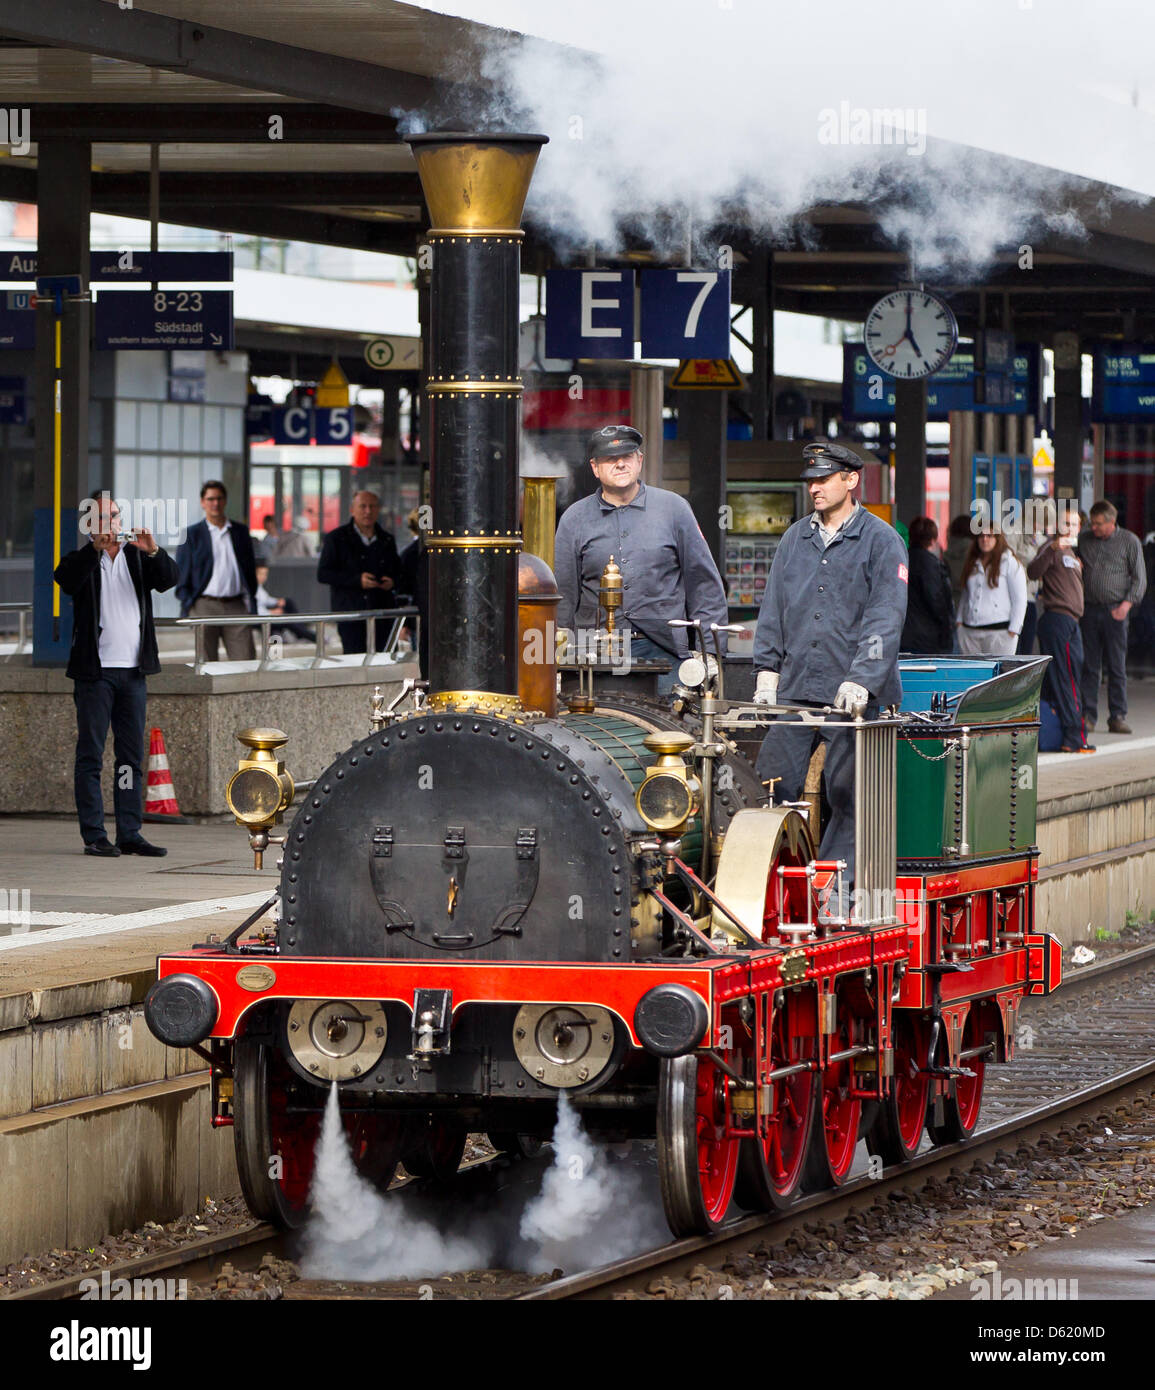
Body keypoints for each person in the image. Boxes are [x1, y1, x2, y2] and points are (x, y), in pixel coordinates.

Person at [752, 441, 908, 902]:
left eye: (823, 479)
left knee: (850, 791)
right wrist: (766, 671)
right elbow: (773, 608)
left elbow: (886, 615)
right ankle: (775, 887)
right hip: (799, 686)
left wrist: (863, 677)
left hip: (857, 692)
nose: (814, 488)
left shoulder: (883, 541)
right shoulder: (794, 538)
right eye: (811, 481)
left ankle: (836, 891)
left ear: (851, 479)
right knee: (771, 780)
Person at [553, 424, 728, 695]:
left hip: (664, 651)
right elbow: (562, 598)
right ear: (595, 467)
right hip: (593, 655)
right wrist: (553, 660)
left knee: (672, 732)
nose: (620, 463)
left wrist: (711, 654)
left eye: (628, 456)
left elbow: (704, 585)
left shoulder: (674, 509)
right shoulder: (574, 519)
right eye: (611, 459)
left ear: (640, 461)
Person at [54, 497, 178, 857]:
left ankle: (129, 831)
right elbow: (65, 580)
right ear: (90, 525)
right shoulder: (81, 560)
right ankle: (94, 833)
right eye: (103, 518)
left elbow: (169, 580)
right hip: (95, 674)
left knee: (129, 757)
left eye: (115, 515)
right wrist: (95, 551)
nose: (111, 523)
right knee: (91, 754)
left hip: (133, 673)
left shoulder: (137, 556)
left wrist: (154, 550)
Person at [1078, 500, 1147, 734]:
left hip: (1116, 610)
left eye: (1098, 524)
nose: (1094, 528)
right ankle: (1088, 714)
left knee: (1116, 666)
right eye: (1092, 523)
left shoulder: (1129, 541)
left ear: (1111, 522)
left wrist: (1126, 606)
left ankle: (1117, 715)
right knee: (1090, 665)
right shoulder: (1084, 540)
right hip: (1089, 609)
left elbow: (1139, 578)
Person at [1028, 506, 1093, 753]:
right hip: (1057, 619)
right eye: (1065, 523)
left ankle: (1069, 734)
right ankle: (1074, 735)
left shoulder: (1073, 554)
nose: (1069, 528)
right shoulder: (1052, 547)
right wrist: (1052, 548)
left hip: (1072, 621)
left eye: (1074, 524)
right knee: (1066, 679)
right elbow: (1033, 570)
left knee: (1072, 676)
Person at [176, 480, 258, 661]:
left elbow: (250, 570)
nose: (215, 503)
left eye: (219, 498)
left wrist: (251, 597)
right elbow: (181, 575)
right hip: (204, 605)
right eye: (211, 499)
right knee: (206, 665)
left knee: (245, 662)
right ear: (202, 502)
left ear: (225, 500)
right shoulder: (191, 534)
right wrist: (189, 602)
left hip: (236, 605)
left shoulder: (240, 532)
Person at [316, 490, 401, 655]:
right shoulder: (336, 538)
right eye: (363, 506)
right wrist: (356, 580)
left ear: (378, 510)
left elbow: (398, 571)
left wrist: (392, 582)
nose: (368, 511)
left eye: (372, 506)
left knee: (385, 659)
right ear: (352, 509)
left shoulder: (387, 539)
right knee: (355, 660)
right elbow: (323, 574)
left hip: (382, 613)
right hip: (351, 614)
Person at [955, 527, 1027, 658]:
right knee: (973, 676)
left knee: (999, 675)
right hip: (970, 631)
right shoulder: (972, 562)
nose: (984, 539)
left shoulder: (1010, 562)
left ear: (998, 539)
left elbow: (1020, 599)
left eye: (990, 536)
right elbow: (966, 594)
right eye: (981, 536)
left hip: (999, 632)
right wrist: (959, 622)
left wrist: (1014, 630)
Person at [901, 516, 954, 654]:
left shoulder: (901, 559)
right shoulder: (930, 564)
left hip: (902, 633)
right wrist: (947, 627)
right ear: (933, 539)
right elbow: (935, 599)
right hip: (926, 636)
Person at [254, 563, 314, 642]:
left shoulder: (259, 587)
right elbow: (253, 608)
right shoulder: (252, 588)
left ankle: (300, 626)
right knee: (288, 620)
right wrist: (271, 612)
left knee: (288, 602)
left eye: (265, 574)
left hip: (266, 615)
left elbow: (266, 600)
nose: (263, 577)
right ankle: (307, 634)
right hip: (261, 618)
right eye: (260, 574)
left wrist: (278, 601)